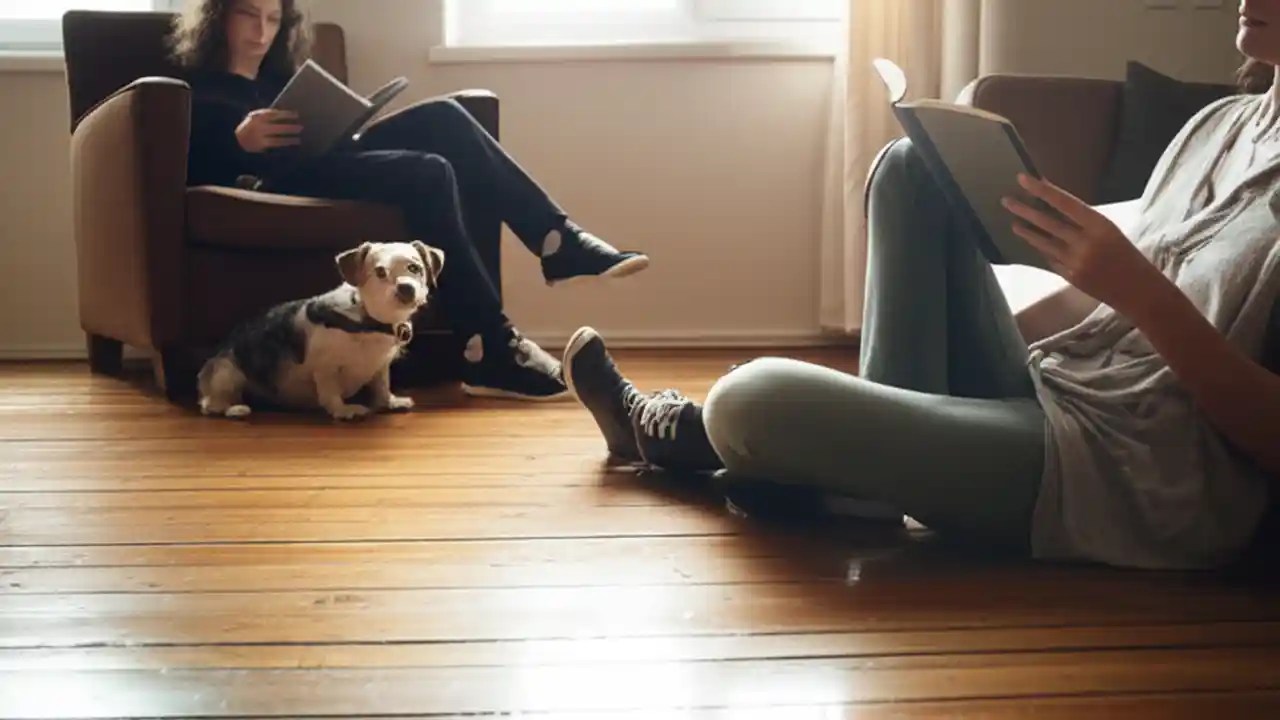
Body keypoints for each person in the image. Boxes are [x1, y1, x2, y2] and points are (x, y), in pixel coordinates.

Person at [565, 6, 1280, 570]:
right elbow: (1104, 313)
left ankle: (702, 439)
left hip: (1130, 470)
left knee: (752, 399)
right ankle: (859, 480)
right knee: (912, 165)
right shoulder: (1215, 125)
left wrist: (1134, 287)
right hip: (1064, 389)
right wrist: (1002, 324)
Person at [168, 0, 650, 401]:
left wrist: (348, 124)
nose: (261, 30)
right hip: (274, 185)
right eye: (248, 15)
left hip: (326, 165)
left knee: (447, 116)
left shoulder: (281, 80)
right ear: (218, 18)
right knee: (429, 171)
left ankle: (556, 240)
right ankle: (490, 345)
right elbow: (176, 172)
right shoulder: (195, 91)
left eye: (273, 18)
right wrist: (238, 142)